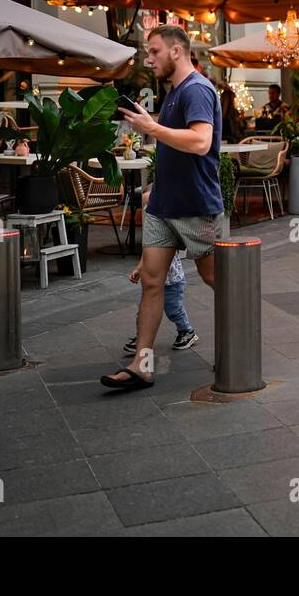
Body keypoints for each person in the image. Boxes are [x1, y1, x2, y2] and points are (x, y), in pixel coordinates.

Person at [102, 25, 223, 390]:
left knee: (219, 280)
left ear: (176, 51)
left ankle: (239, 348)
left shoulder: (197, 90)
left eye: (153, 51)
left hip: (195, 206)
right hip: (163, 205)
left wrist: (152, 128)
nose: (148, 59)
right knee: (152, 282)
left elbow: (201, 142)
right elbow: (174, 147)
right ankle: (142, 364)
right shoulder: (172, 94)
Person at [124, 189, 198, 353]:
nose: (146, 212)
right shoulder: (152, 229)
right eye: (144, 208)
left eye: (149, 207)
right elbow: (147, 252)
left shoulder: (169, 225)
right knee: (144, 310)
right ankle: (142, 337)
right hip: (153, 279)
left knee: (174, 310)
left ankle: (187, 331)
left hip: (172, 281)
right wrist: (139, 268)